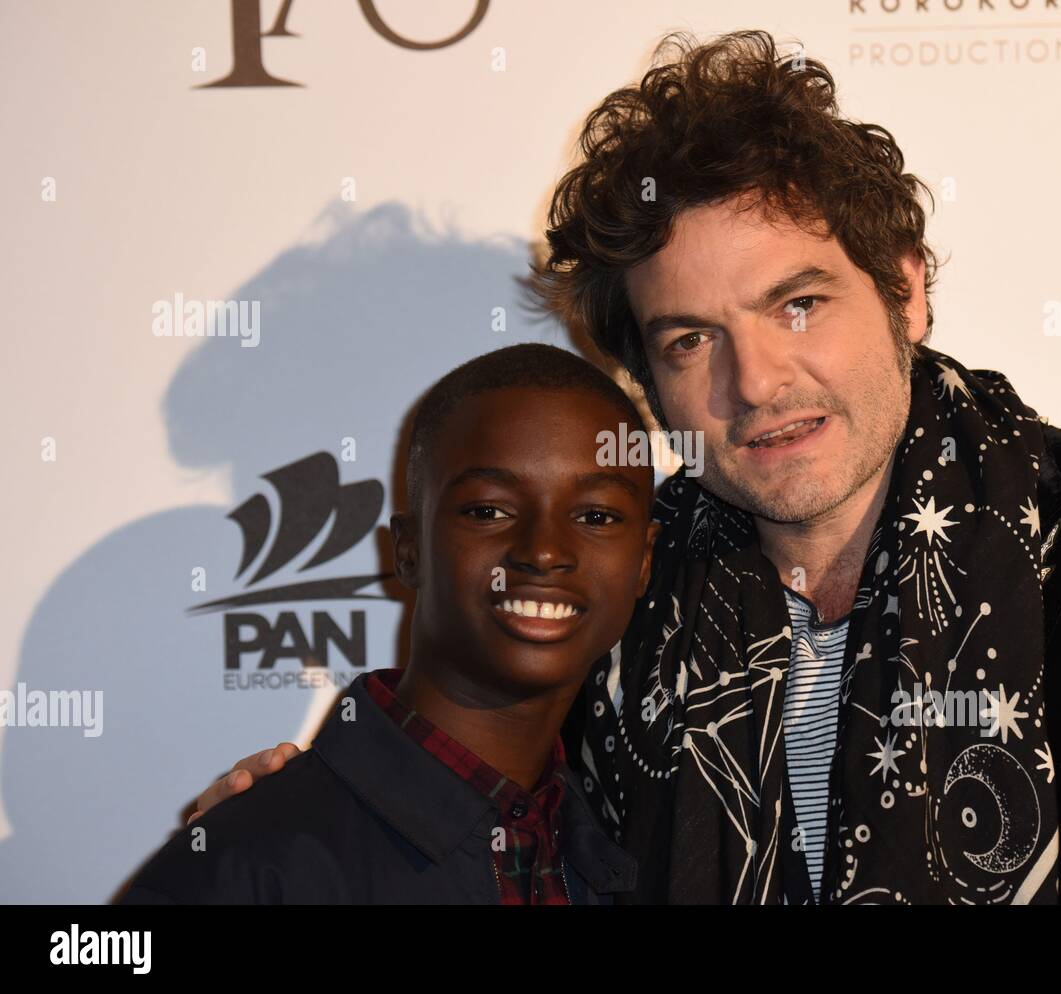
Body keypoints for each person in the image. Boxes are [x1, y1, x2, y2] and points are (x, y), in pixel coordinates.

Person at [190, 31, 1061, 904]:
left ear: (907, 289)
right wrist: (314, 843)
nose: (756, 383)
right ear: (647, 382)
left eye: (797, 304)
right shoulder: (607, 597)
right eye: (690, 339)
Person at [120, 344, 658, 904]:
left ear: (644, 562)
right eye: (488, 510)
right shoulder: (251, 864)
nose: (545, 552)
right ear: (407, 550)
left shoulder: (619, 851)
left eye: (597, 516)